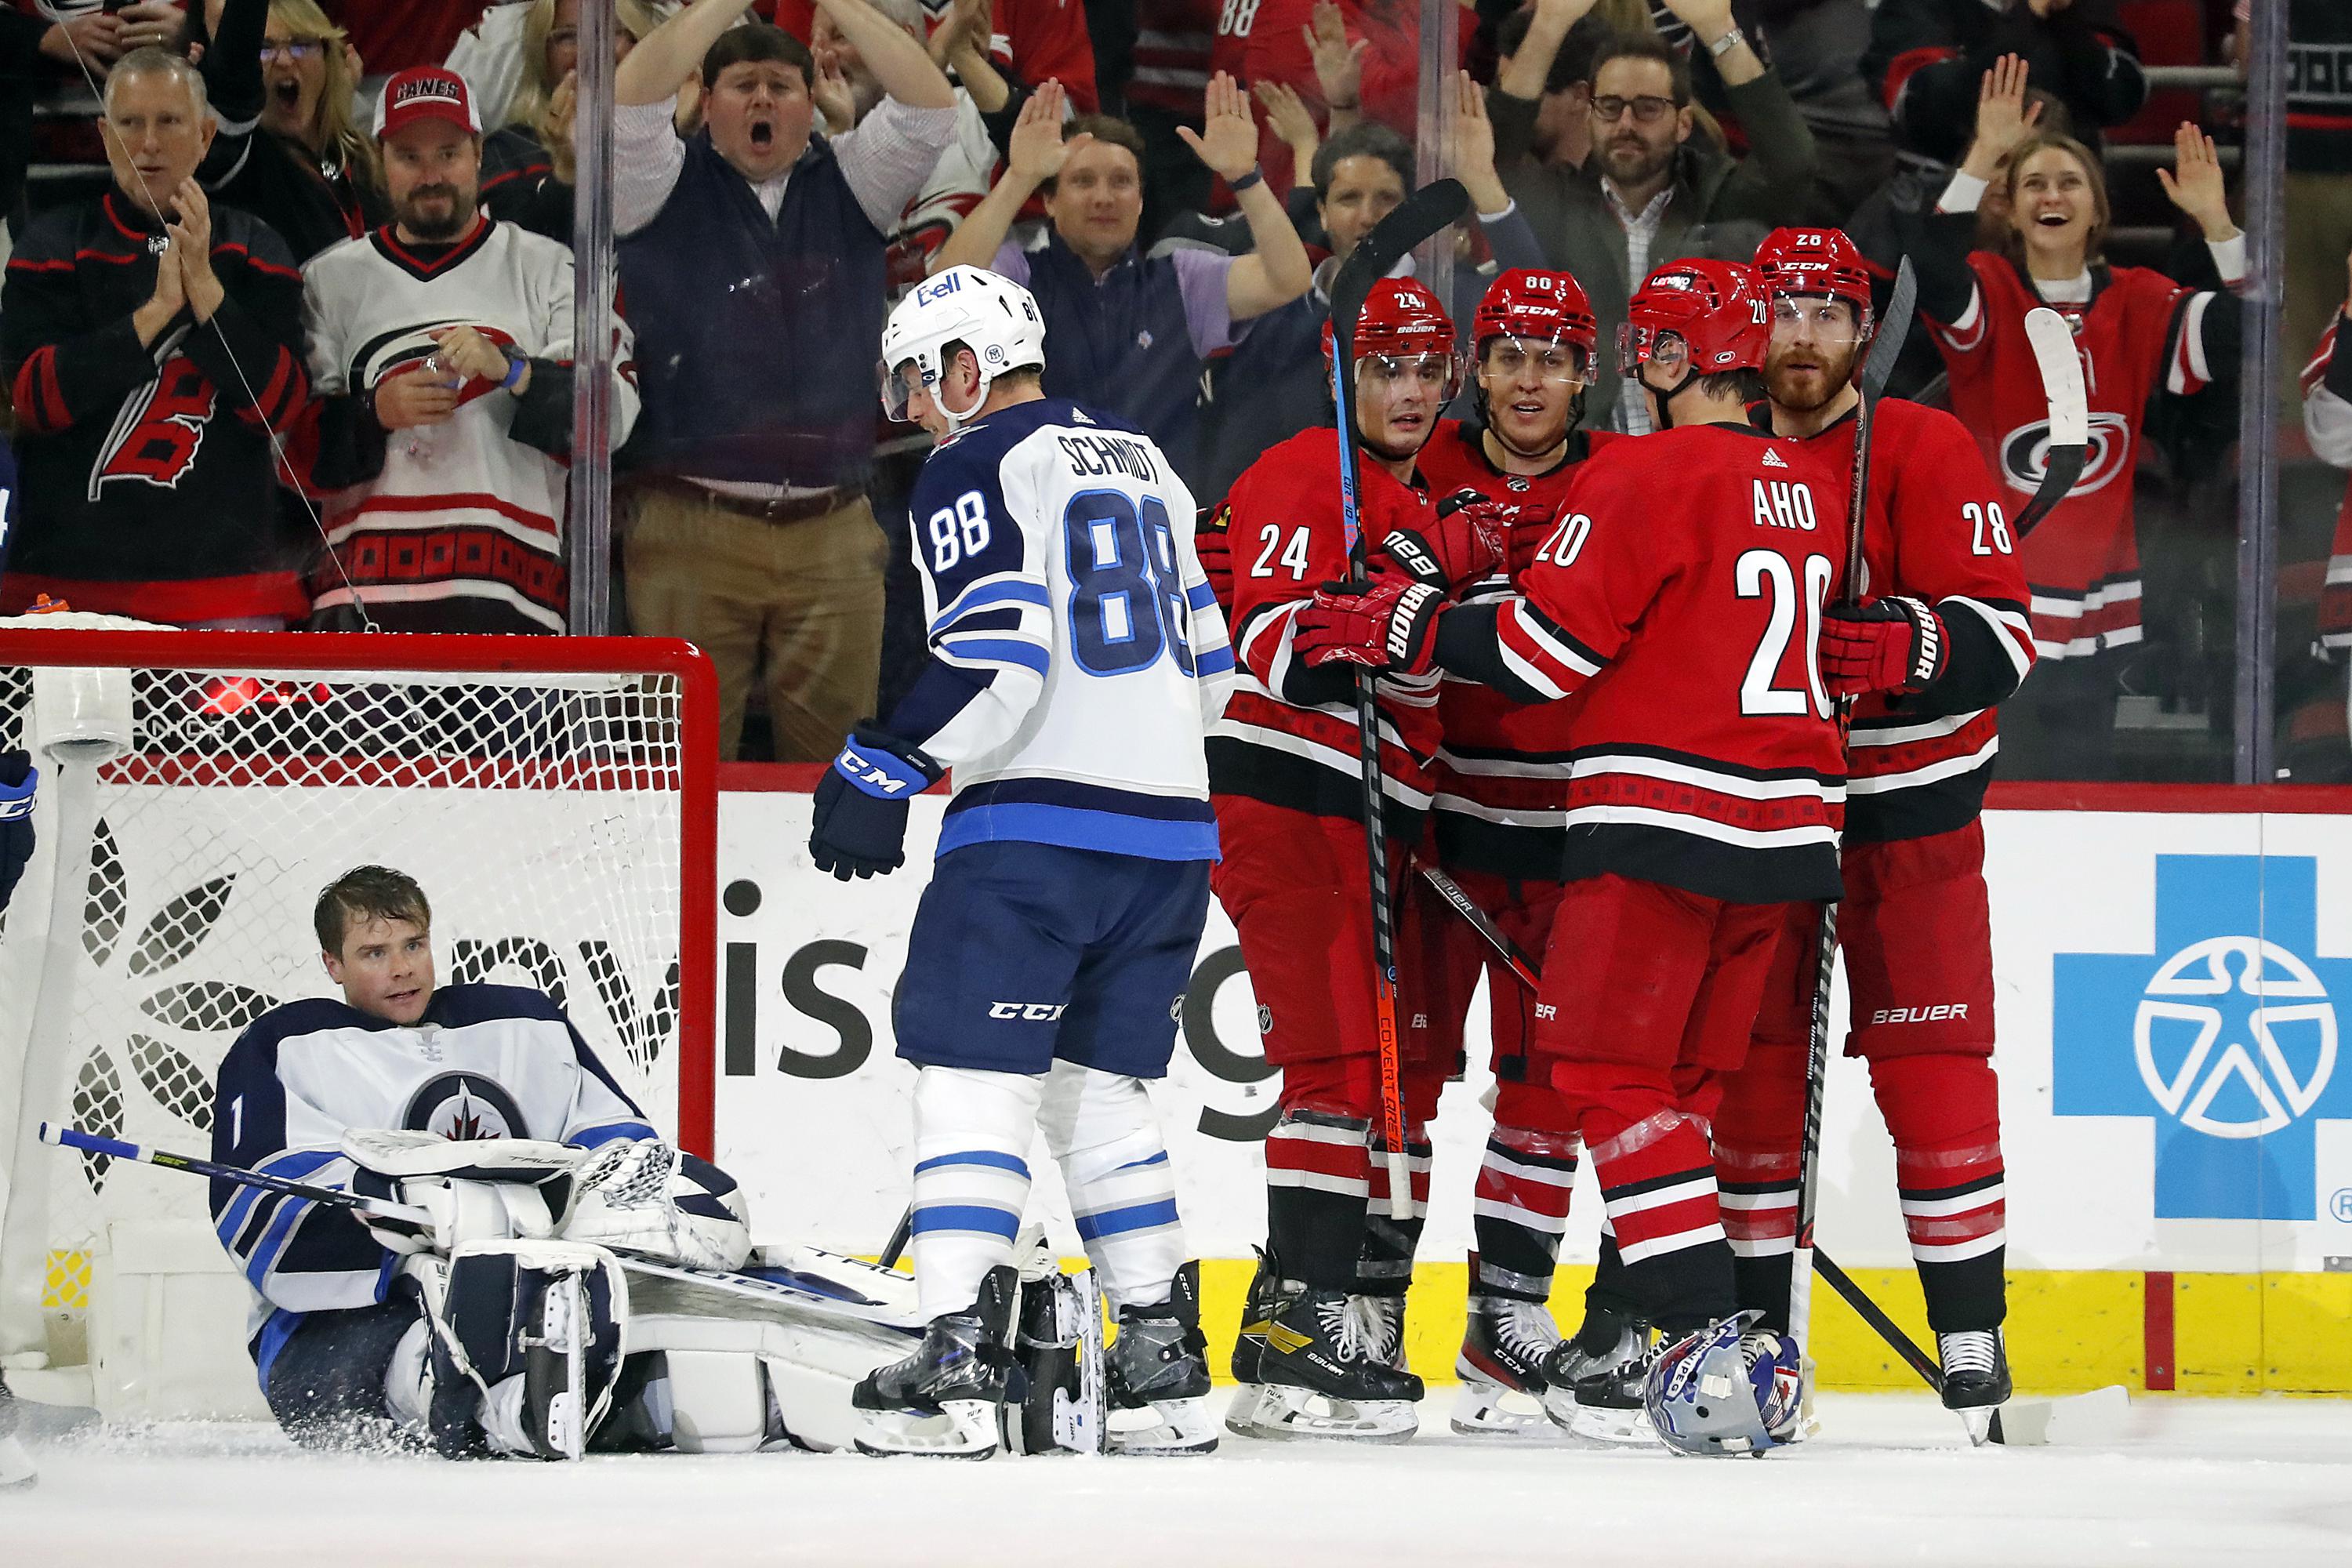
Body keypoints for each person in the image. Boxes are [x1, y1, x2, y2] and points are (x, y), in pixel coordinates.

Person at [1291, 260, 1828, 1457]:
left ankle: (1707, 1339)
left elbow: (1542, 652)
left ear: (1661, 358)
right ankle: (1709, 1339)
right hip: (1788, 834)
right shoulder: (1799, 479)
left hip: (1656, 820)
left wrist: (1404, 624)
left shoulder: (1638, 470)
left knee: (1593, 1074)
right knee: (1673, 1090)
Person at [1561, 227, 2038, 1437]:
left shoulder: (1921, 444)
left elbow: (2011, 637)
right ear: (1748, 322)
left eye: (1834, 315)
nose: (1806, 338)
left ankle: (1973, 1341)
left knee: (1934, 1065)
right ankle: (1755, 1340)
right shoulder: (1718, 458)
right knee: (1753, 1087)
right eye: (1786, 311)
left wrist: (1915, 648)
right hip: (1772, 821)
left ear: (1865, 332)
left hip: (1910, 812)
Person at [808, 265, 1235, 1459]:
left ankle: (959, 1359)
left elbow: (1002, 657)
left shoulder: (976, 461)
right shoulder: (1149, 463)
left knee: (971, 1078)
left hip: (1037, 833)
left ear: (964, 364)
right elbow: (1213, 675)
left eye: (917, 379)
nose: (915, 408)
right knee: (1099, 1095)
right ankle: (1160, 1366)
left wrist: (882, 762)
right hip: (1171, 838)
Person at [1207, 278, 1505, 1444]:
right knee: (1331, 1075)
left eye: (1427, 368)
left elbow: (1416, 684)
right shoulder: (1304, 467)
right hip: (1289, 796)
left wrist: (1416, 595)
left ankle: (1294, 1317)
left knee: (1350, 1081)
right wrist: (1378, 602)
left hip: (1365, 810)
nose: (1409, 388)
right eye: (1385, 366)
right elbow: (1274, 641)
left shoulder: (1410, 499)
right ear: (1347, 371)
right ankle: (1298, 1337)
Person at [210, 865, 755, 1456]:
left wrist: (639, 1196)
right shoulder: (285, 1045)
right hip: (337, 1324)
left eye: (414, 945)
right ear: (332, 966)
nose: (402, 968)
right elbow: (257, 1203)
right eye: (373, 953)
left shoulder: (522, 1023)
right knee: (404, 1351)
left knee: (654, 1328)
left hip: (544, 1289)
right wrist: (409, 1212)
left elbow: (616, 1144)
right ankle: (495, 1399)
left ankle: (723, 1389)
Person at [612, 0, 957, 763]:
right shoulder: (655, 186)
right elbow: (630, 98)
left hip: (834, 528)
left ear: (811, 107)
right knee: (677, 777)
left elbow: (930, 104)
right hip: (688, 524)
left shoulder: (852, 182)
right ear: (706, 102)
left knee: (832, 774)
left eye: (781, 85)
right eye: (742, 84)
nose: (763, 99)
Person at [1406, 267, 1626, 1436]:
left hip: (1572, 835)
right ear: (1473, 368)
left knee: (1548, 1093)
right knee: (1403, 1083)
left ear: (1587, 373)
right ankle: (1362, 1312)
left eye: (1552, 356)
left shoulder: (1619, 483)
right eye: (1508, 354)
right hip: (1438, 830)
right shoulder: (1418, 471)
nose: (1528, 377)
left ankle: (1505, 1322)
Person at [1913, 57, 2243, 777]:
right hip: (1995, 605)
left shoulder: (2139, 300)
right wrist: (1981, 156)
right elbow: (1930, 268)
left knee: (2080, 799)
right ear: (2010, 205)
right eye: (2033, 183)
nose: (2051, 195)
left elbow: (2247, 335)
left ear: (2098, 208)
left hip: (2098, 612)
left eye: (2069, 183)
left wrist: (2217, 221)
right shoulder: (1994, 289)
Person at [298, 65, 639, 633]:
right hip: (362, 614)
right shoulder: (327, 281)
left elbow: (614, 417)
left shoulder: (553, 269)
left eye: (449, 153)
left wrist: (513, 371)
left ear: (479, 152)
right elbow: (287, 451)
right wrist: (374, 412)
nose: (432, 175)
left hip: (514, 605)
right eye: (410, 156)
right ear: (381, 162)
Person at [0, 46, 311, 627]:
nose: (148, 143)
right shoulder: (50, 246)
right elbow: (32, 402)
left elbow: (281, 405)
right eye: (130, 123)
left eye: (169, 121)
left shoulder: (255, 248)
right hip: (62, 590)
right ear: (102, 132)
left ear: (205, 133)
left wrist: (207, 293)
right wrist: (158, 311)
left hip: (226, 592)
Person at [929, 73, 1311, 487]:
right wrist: (1019, 177)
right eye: (1082, 181)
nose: (1104, 198)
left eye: (1121, 182)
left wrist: (1244, 177)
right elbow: (942, 290)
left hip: (1159, 528)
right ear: (1050, 201)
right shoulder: (1018, 278)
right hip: (1041, 522)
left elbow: (1288, 279)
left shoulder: (1181, 279)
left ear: (1142, 201)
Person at [1192, 78, 1549, 503]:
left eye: (1386, 198)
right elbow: (1239, 453)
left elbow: (1539, 309)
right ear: (1321, 211)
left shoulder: (1454, 298)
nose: (1367, 216)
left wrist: (1482, 180)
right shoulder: (1274, 319)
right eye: (1348, 198)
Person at [1487, 2, 1820, 436]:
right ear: (1590, 114)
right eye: (1610, 106)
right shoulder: (1558, 201)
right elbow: (1492, 159)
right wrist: (1549, 26)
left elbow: (1792, 163)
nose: (1626, 123)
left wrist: (1718, 28)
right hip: (1584, 454)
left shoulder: (1717, 198)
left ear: (1683, 123)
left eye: (1647, 108)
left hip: (1698, 451)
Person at [187, 0, 390, 265]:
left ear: (329, 59)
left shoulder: (362, 154)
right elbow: (233, 79)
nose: (284, 60)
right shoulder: (237, 161)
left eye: (302, 44)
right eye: (263, 48)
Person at [1865, 0, 2146, 171]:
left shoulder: (2074, 7)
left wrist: (2066, 23)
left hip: (2060, 201)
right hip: (1947, 204)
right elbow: (1926, 105)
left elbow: (2120, 100)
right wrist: (2026, 20)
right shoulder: (1914, 8)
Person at [477, 0, 666, 243]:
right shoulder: (508, 152)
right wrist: (570, 167)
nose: (592, 49)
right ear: (543, 53)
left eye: (611, 31)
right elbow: (518, 257)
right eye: (569, 37)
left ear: (638, 42)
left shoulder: (678, 142)